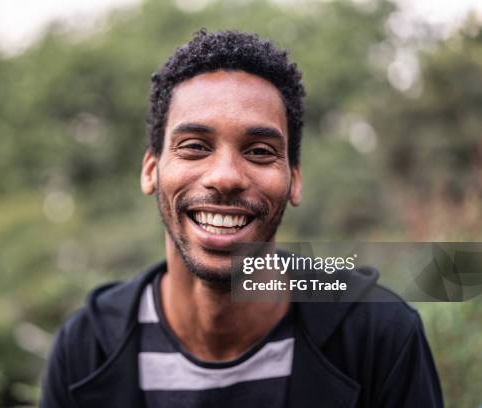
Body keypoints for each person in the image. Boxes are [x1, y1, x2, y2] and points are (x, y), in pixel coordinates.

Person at [41, 29, 443, 407]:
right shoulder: (84, 349)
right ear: (151, 170)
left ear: (295, 180)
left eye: (260, 151)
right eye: (195, 146)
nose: (226, 177)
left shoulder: (380, 335)